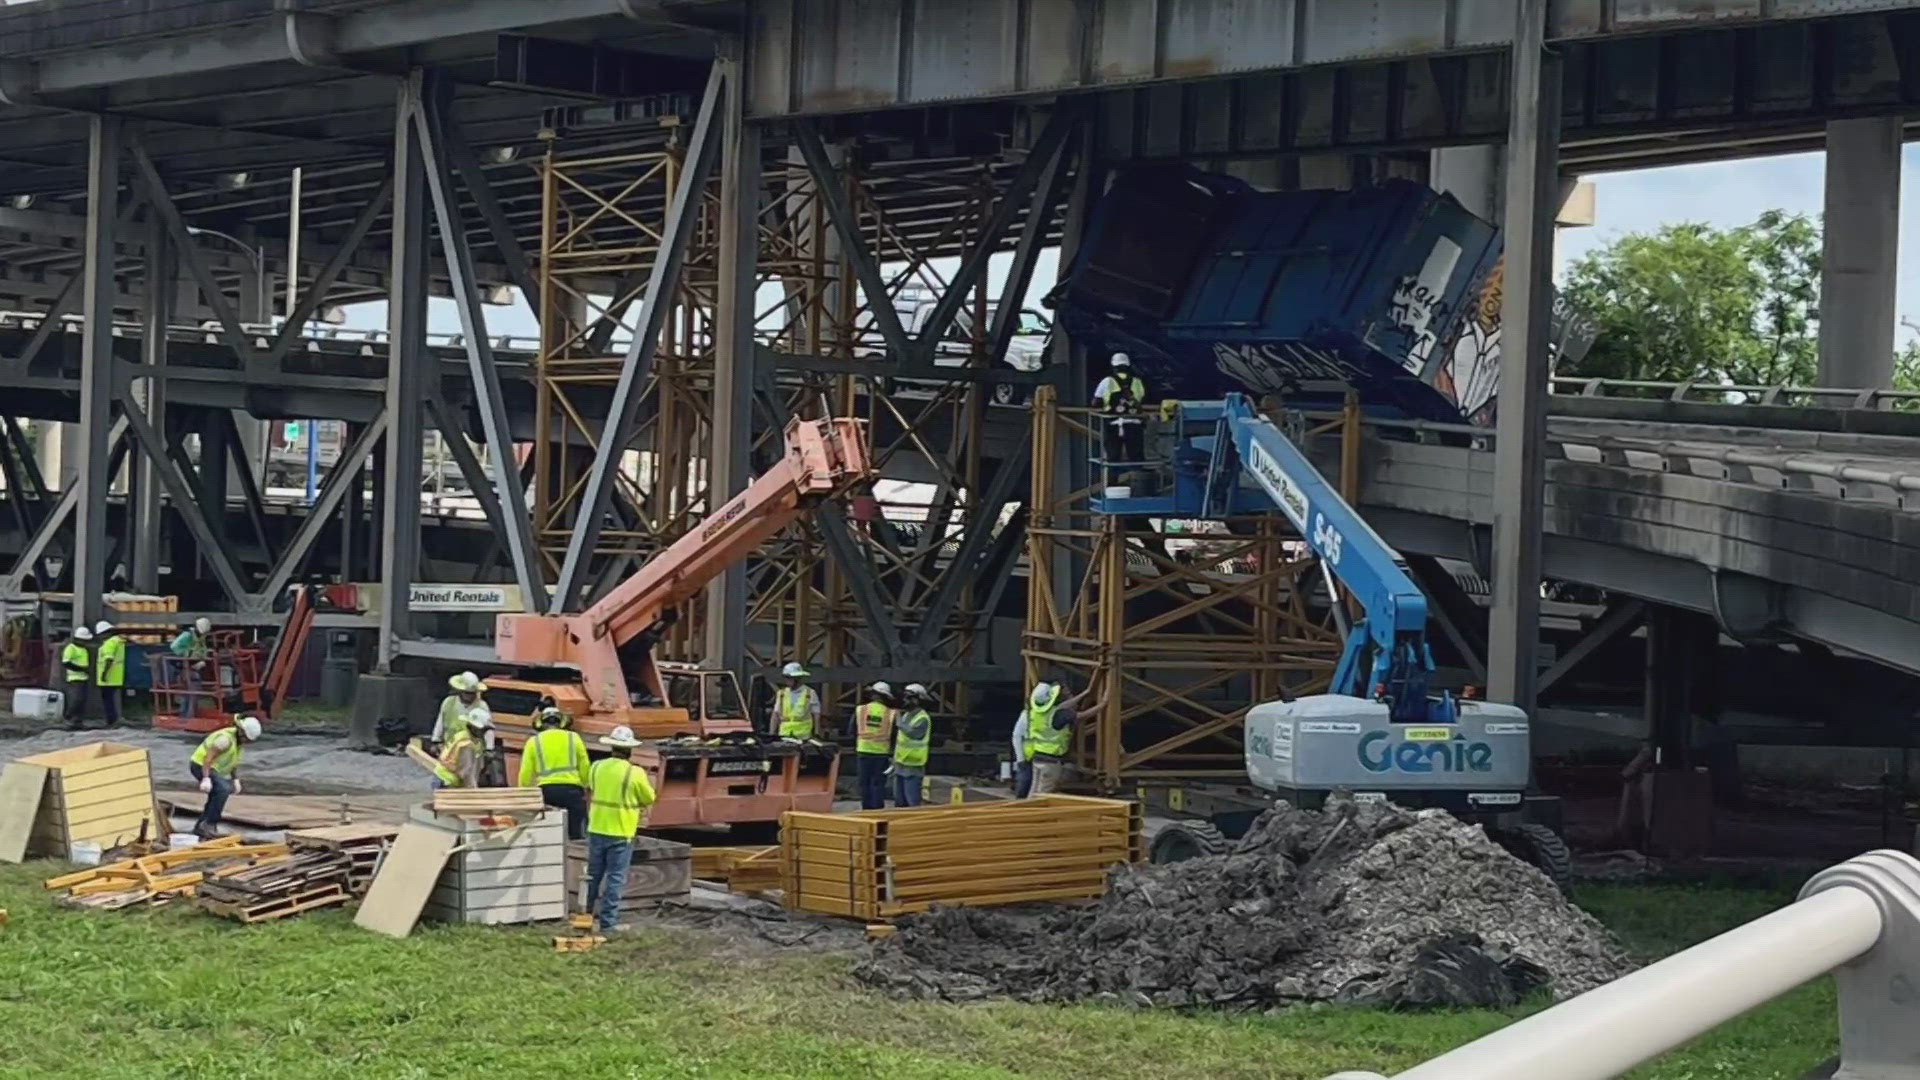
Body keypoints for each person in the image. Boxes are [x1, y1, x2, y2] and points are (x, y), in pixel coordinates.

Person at [585, 725, 658, 935]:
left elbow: (591, 788)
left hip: (596, 827)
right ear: (630, 750)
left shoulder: (596, 767)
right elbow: (649, 797)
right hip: (621, 831)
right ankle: (607, 924)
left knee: (592, 875)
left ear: (612, 747)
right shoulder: (634, 772)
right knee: (615, 878)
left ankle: (585, 916)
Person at [519, 704, 590, 840]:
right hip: (572, 791)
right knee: (575, 834)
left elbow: (525, 772)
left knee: (549, 832)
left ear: (541, 723)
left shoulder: (534, 742)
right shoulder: (573, 738)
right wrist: (586, 785)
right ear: (561, 722)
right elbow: (584, 764)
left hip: (547, 791)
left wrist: (524, 792)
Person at [189, 714, 263, 839]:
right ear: (242, 732)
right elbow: (208, 758)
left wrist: (235, 779)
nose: (248, 742)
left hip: (211, 768)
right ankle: (209, 824)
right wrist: (206, 778)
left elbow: (233, 762)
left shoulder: (237, 743)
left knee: (216, 794)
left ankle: (201, 826)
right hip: (201, 765)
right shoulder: (225, 740)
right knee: (223, 789)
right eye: (247, 739)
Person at [1022, 680, 1101, 797]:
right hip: (1051, 761)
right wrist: (1103, 704)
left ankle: (1027, 808)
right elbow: (1083, 715)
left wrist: (1085, 693)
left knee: (1034, 792)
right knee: (1044, 794)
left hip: (1038, 757)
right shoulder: (1059, 715)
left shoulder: (1036, 713)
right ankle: (1034, 809)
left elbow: (1064, 705)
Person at [1092, 352, 1150, 486]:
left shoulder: (1107, 381)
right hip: (1134, 423)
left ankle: (1112, 486)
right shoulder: (1137, 382)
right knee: (1136, 457)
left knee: (1113, 458)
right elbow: (1142, 398)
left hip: (1113, 422)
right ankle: (1139, 487)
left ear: (1113, 366)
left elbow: (1096, 402)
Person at [852, 681, 898, 810]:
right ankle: (877, 810)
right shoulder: (891, 713)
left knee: (864, 783)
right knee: (878, 783)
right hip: (881, 753)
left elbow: (852, 730)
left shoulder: (861, 710)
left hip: (863, 751)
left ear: (874, 694)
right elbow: (895, 735)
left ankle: (866, 810)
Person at [890, 683, 933, 808]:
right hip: (900, 764)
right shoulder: (906, 715)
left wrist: (899, 723)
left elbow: (914, 734)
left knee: (912, 802)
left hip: (913, 766)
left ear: (917, 700)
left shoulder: (922, 718)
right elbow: (900, 741)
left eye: (908, 698)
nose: (905, 700)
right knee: (899, 801)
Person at [431, 705, 488, 789]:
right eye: (484, 730)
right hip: (446, 781)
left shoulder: (463, 735)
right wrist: (473, 790)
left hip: (443, 778)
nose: (484, 732)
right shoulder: (466, 744)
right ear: (475, 728)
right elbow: (465, 772)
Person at [430, 672, 484, 753]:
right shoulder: (448, 702)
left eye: (472, 693)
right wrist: (436, 741)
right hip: (449, 747)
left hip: (473, 750)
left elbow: (488, 729)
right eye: (467, 693)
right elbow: (440, 722)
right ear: (460, 691)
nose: (470, 696)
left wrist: (489, 748)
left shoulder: (482, 706)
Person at [770, 661, 820, 739]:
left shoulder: (810, 693)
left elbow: (816, 715)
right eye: (785, 677)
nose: (786, 680)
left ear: (797, 678)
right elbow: (775, 715)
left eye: (788, 677)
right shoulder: (782, 694)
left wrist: (816, 733)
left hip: (803, 736)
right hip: (785, 735)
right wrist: (771, 733)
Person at [170, 616, 214, 702]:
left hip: (195, 661)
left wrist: (205, 655)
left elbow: (202, 649)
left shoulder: (201, 637)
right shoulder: (187, 635)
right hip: (184, 662)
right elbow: (174, 646)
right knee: (189, 686)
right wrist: (187, 653)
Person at [92, 620, 125, 729]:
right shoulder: (118, 641)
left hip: (108, 678)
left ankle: (111, 721)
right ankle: (113, 720)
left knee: (108, 701)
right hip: (115, 677)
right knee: (110, 700)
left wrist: (104, 674)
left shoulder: (110, 643)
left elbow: (109, 659)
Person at [59, 626, 92, 731]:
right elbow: (66, 663)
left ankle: (78, 721)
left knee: (82, 701)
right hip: (75, 678)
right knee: (76, 700)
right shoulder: (71, 648)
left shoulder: (83, 650)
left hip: (83, 678)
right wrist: (81, 669)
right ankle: (69, 717)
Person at [1009, 706, 1032, 799]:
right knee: (1024, 786)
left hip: (1040, 756)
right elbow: (1017, 736)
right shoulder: (1027, 714)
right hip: (1027, 758)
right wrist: (1020, 758)